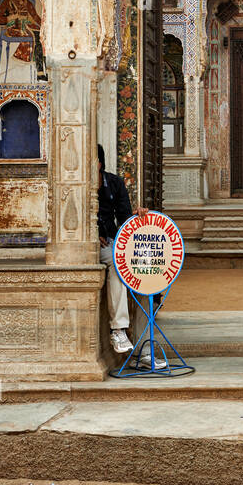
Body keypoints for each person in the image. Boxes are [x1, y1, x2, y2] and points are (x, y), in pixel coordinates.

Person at [97, 145, 133, 354]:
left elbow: (125, 218)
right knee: (115, 260)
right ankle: (118, 328)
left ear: (99, 164)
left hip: (108, 244)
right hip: (81, 244)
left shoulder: (114, 183)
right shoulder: (73, 184)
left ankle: (122, 331)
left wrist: (139, 217)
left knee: (117, 261)